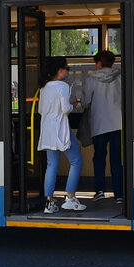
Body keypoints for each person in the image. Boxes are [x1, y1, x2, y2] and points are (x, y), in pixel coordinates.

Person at [38, 58, 86, 213]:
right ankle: (70, 197)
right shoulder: (63, 86)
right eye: (67, 68)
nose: (68, 71)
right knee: (76, 161)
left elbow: (40, 110)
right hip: (61, 129)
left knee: (51, 165)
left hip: (47, 130)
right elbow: (65, 109)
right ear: (60, 70)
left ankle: (49, 202)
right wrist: (74, 104)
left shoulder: (44, 88)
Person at [80, 49, 123, 202]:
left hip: (99, 125)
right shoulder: (120, 77)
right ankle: (119, 194)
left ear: (99, 63)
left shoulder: (92, 80)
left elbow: (85, 102)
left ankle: (99, 190)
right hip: (118, 124)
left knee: (99, 158)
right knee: (117, 160)